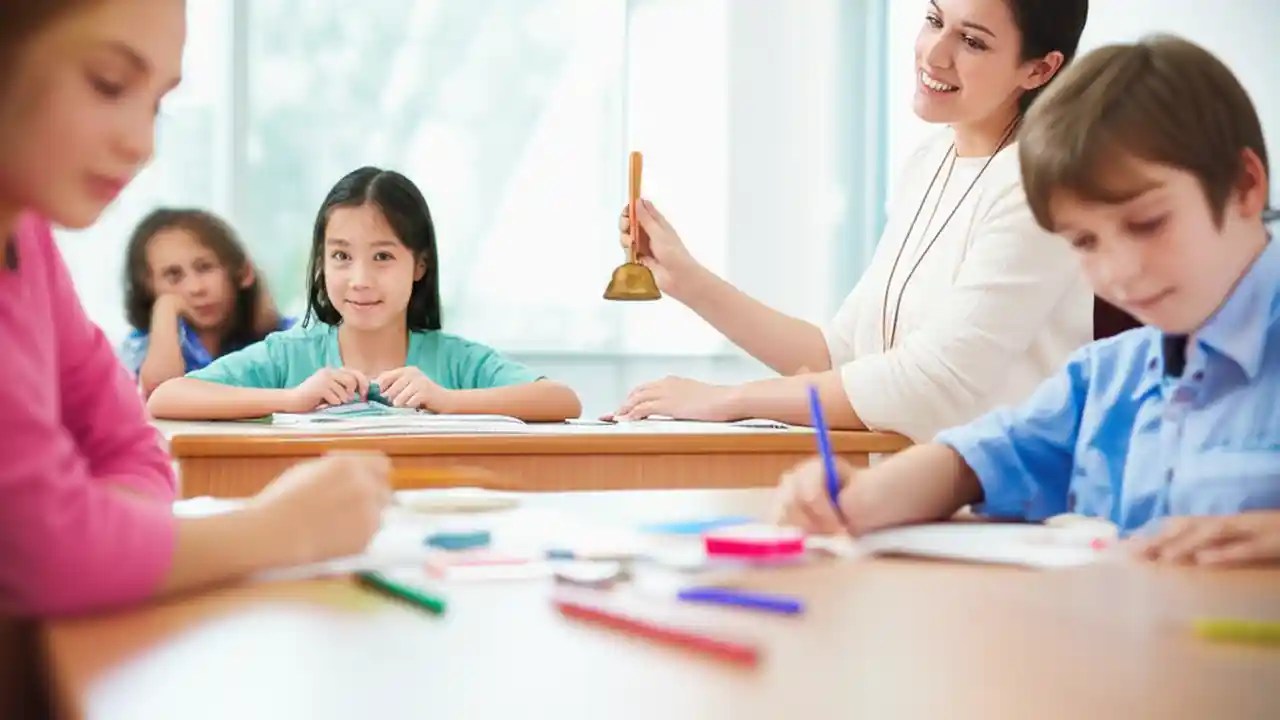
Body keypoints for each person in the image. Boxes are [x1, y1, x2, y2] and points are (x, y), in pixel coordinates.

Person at [772, 36, 1280, 566]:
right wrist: (860, 499)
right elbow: (977, 459)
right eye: (1084, 242)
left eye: (1148, 224)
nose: (1118, 271)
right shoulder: (1111, 378)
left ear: (1244, 187)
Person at [0, 0, 392, 617]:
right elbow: (45, 549)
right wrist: (282, 528)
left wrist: (97, 541)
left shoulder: (26, 237)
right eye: (108, 84)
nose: (141, 144)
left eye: (156, 103)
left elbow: (131, 448)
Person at [612, 0, 1093, 441]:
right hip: (912, 498)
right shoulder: (930, 162)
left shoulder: (1039, 187)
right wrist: (686, 279)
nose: (934, 55)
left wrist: (725, 400)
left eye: (971, 41)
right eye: (933, 20)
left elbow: (932, 385)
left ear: (1039, 69)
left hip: (1009, 512)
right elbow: (840, 359)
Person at [147, 166, 583, 421]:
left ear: (420, 265)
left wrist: (448, 400)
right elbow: (166, 397)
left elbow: (563, 400)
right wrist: (293, 399)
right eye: (340, 256)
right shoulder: (288, 356)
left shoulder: (454, 360)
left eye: (382, 257)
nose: (359, 279)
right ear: (321, 261)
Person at [118, 207, 293, 397]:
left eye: (205, 268)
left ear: (243, 272)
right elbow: (159, 392)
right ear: (147, 287)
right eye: (173, 275)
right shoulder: (145, 345)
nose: (195, 288)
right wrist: (165, 308)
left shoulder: (283, 338)